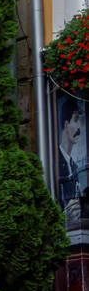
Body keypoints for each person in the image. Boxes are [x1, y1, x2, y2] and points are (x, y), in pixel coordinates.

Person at [57, 97, 86, 229]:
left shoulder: (73, 165)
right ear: (65, 124)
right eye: (76, 119)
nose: (79, 126)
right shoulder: (55, 162)